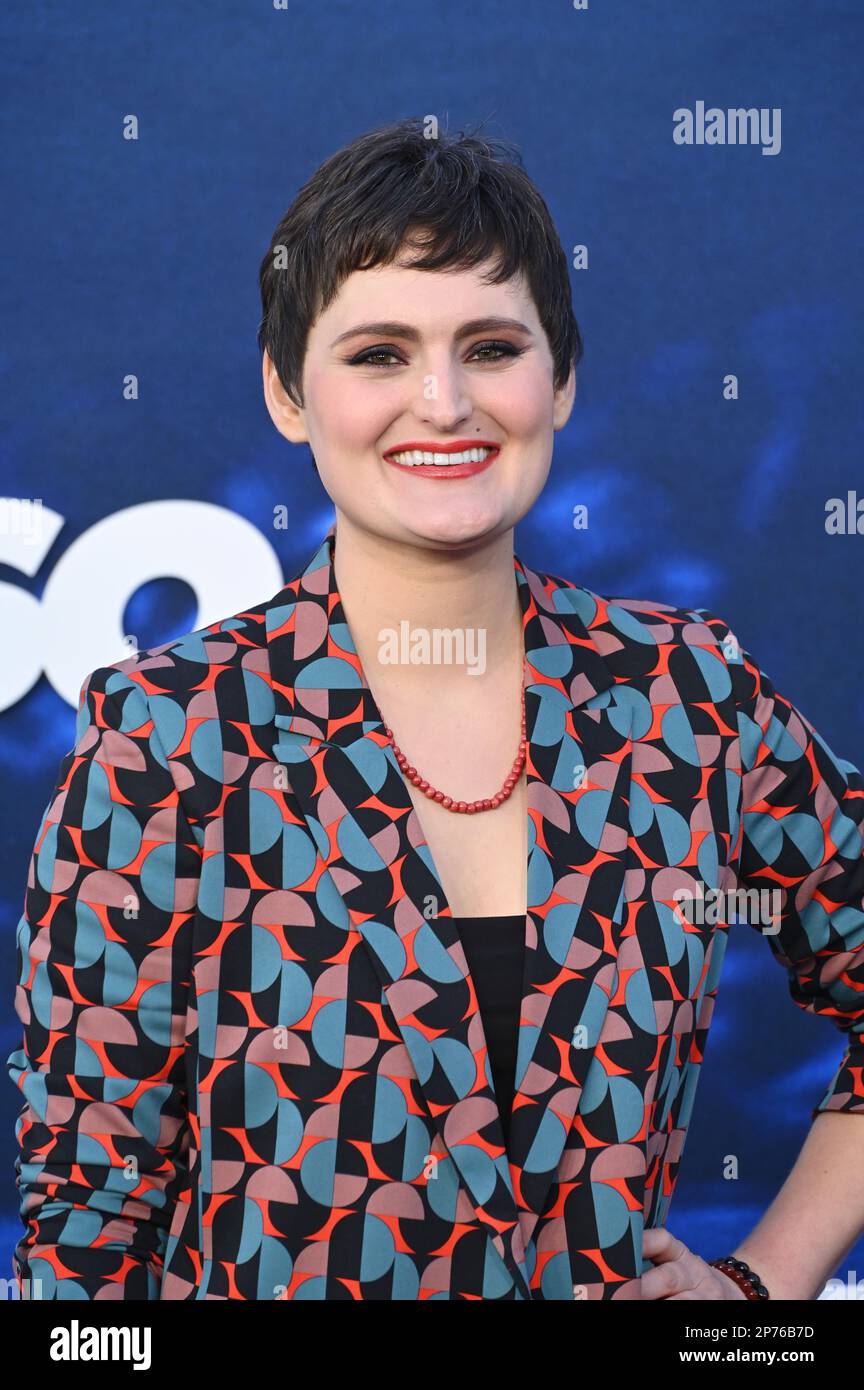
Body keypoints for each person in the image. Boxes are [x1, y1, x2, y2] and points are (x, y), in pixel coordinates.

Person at [6, 117, 864, 1302]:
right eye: (378, 354)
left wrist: (761, 1296)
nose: (444, 400)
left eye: (493, 345)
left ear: (560, 380)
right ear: (288, 393)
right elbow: (83, 1241)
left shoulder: (689, 700)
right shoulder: (165, 739)